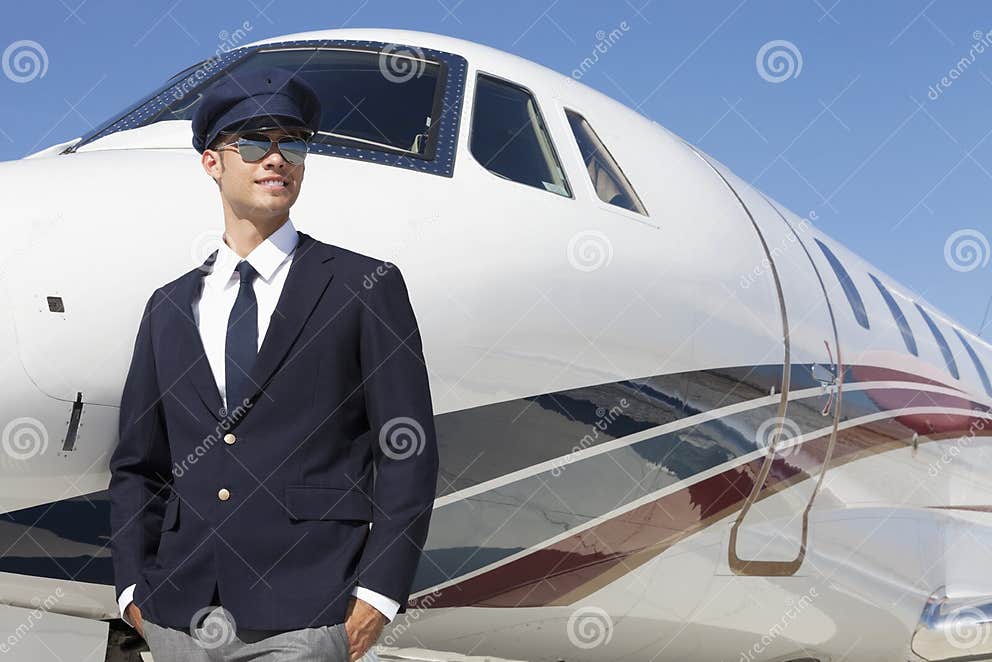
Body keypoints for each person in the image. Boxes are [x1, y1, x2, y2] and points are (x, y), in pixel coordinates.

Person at [108, 66, 439, 662]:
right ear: (213, 162)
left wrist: (380, 596)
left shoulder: (365, 287)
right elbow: (139, 465)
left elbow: (406, 450)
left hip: (309, 613)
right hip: (177, 614)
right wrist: (133, 589)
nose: (277, 158)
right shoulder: (168, 308)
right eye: (256, 143)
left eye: (293, 144)